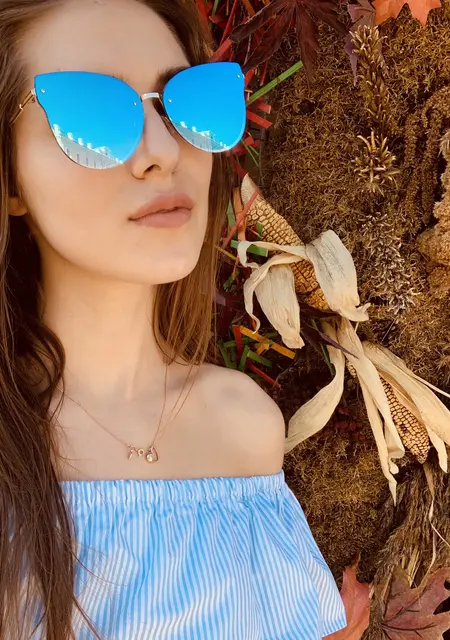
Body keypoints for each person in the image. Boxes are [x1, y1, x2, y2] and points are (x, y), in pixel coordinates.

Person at [0, 0, 347, 637]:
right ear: (10, 179)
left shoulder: (242, 430)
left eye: (185, 103)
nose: (163, 151)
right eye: (92, 112)